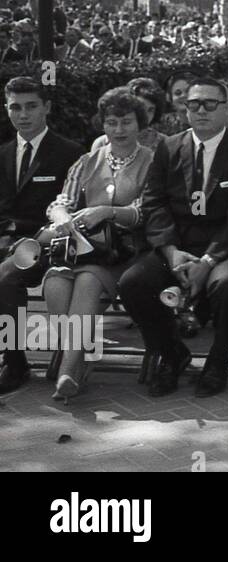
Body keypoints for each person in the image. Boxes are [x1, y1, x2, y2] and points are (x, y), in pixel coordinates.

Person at [118, 77, 228, 397]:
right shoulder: (168, 147)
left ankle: (219, 356)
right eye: (193, 104)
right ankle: (172, 353)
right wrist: (171, 252)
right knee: (133, 282)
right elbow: (154, 202)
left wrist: (209, 260)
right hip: (176, 243)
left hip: (227, 247)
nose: (201, 110)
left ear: (226, 108)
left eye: (210, 104)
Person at [37, 89, 154, 401]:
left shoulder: (152, 162)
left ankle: (68, 368)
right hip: (79, 249)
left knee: (88, 281)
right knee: (55, 286)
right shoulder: (87, 161)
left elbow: (146, 212)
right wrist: (61, 213)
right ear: (103, 124)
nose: (118, 130)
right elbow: (62, 201)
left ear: (139, 124)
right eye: (112, 122)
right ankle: (80, 359)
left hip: (123, 253)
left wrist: (108, 212)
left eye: (126, 122)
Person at [0, 78, 86, 393]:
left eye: (31, 106)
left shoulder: (70, 153)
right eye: (15, 107)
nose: (23, 114)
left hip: (46, 241)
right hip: (6, 240)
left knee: (6, 278)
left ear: (47, 108)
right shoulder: (3, 153)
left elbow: (71, 206)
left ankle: (14, 360)